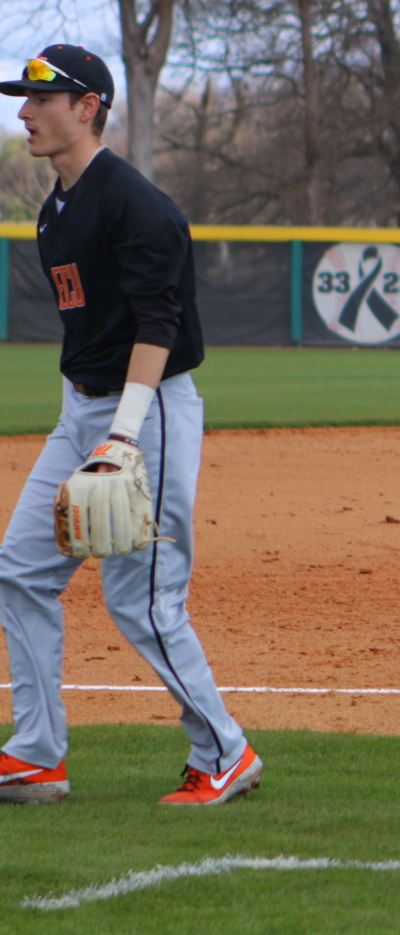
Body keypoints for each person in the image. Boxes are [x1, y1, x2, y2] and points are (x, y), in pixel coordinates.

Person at [0, 46, 261, 806]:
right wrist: (79, 422)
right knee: (19, 572)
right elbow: (87, 334)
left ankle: (225, 752)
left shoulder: (136, 205)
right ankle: (37, 754)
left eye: (41, 100)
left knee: (142, 598)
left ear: (88, 107)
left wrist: (121, 435)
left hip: (148, 413)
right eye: (23, 101)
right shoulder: (55, 210)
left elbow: (159, 325)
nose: (25, 113)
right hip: (83, 409)